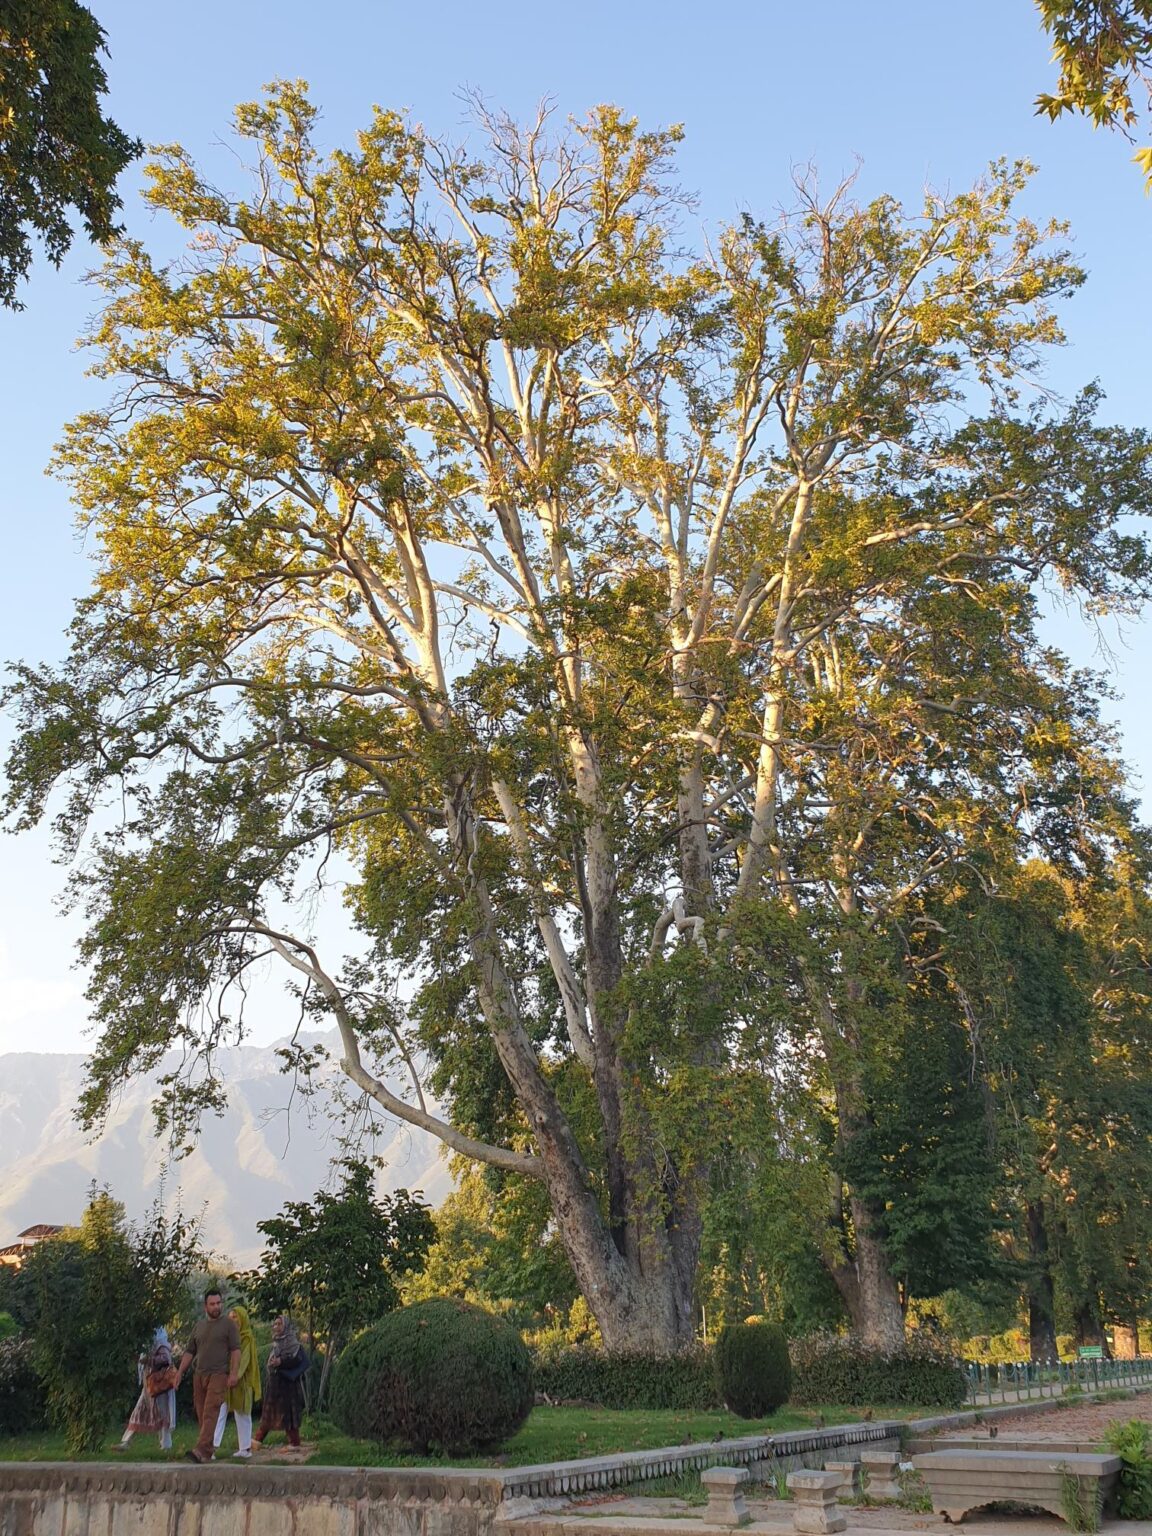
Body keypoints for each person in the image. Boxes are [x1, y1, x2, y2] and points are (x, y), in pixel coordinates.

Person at [174, 1288, 241, 1463]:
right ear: (206, 1306)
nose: (216, 1307)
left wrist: (233, 1373)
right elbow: (190, 1351)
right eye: (212, 1304)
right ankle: (207, 1452)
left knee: (211, 1411)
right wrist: (180, 1372)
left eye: (219, 1303)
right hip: (199, 1375)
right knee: (202, 1413)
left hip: (219, 1374)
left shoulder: (228, 1325)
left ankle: (200, 1450)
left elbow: (235, 1350)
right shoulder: (199, 1326)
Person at [114, 1327, 177, 1452]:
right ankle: (126, 1441)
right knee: (139, 1410)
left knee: (163, 1414)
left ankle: (166, 1445)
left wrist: (149, 1360)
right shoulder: (148, 1347)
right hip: (150, 1385)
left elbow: (166, 1359)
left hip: (160, 1386)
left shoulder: (161, 1345)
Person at [252, 1314, 309, 1449]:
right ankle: (257, 1440)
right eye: (275, 1324)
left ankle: (294, 1442)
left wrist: (281, 1362)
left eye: (279, 1324)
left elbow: (297, 1360)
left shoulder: (292, 1342)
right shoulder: (277, 1342)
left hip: (288, 1383)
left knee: (288, 1413)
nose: (276, 1327)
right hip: (275, 1382)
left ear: (286, 1326)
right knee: (269, 1411)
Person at [212, 1304, 261, 1458]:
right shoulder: (227, 1337)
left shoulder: (246, 1338)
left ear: (242, 1319)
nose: (232, 1320)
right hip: (226, 1380)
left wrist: (235, 1376)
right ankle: (211, 1447)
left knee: (242, 1414)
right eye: (230, 1317)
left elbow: (244, 1359)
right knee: (220, 1412)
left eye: (236, 1317)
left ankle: (245, 1449)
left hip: (241, 1382)